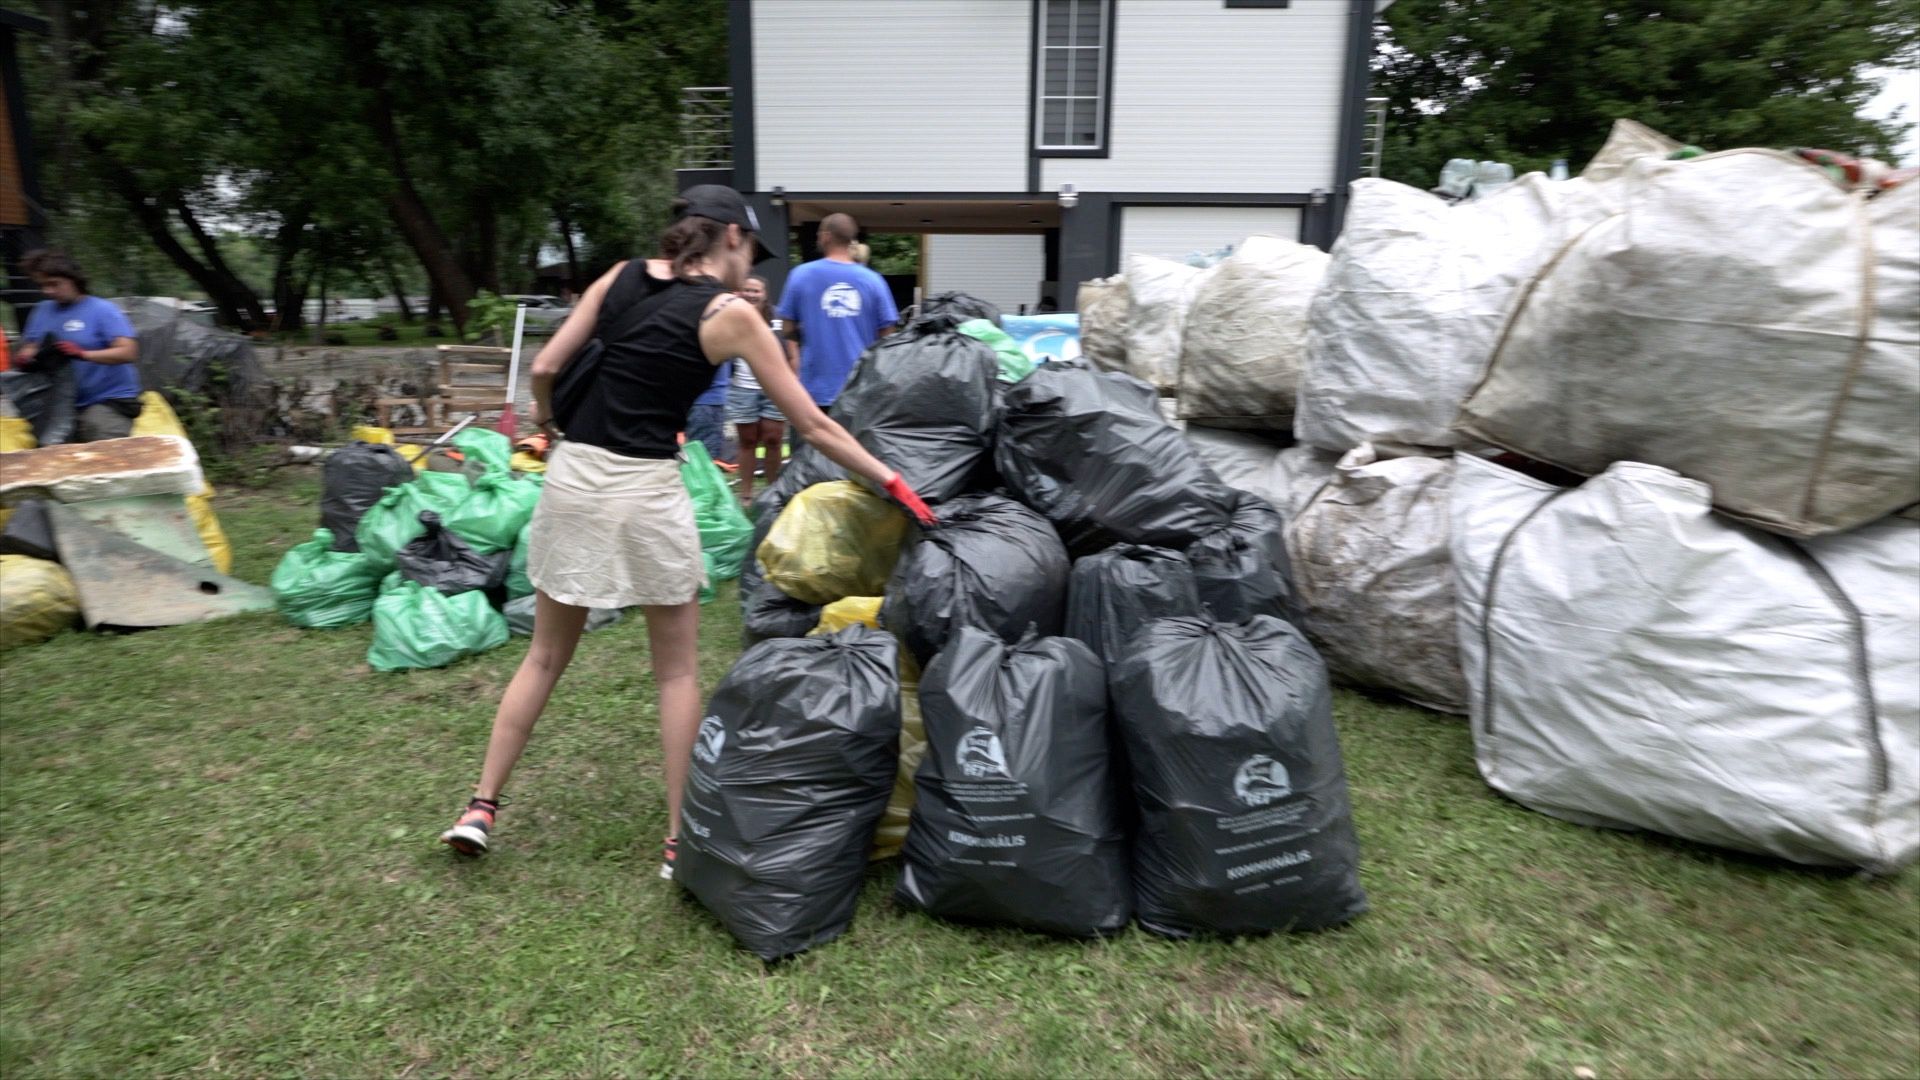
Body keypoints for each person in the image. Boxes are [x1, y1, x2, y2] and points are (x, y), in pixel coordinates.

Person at [440, 186, 936, 875]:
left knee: (546, 658)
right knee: (674, 672)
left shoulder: (618, 276)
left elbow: (548, 366)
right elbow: (814, 425)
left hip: (574, 478)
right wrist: (891, 480)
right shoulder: (729, 316)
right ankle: (678, 841)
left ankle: (479, 808)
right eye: (751, 250)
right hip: (646, 489)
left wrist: (553, 425)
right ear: (732, 236)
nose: (751, 266)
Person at [774, 213, 897, 425]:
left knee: (811, 455)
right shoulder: (873, 281)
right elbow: (888, 336)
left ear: (825, 236)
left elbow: (787, 328)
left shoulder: (800, 275)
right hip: (861, 389)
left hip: (814, 388)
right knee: (856, 455)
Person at [10, 250, 141, 442]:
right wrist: (25, 357)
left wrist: (83, 354)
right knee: (50, 447)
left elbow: (129, 352)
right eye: (42, 285)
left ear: (74, 279)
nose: (48, 291)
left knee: (97, 431)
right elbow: (31, 346)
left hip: (108, 399)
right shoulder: (42, 310)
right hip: (61, 401)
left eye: (54, 284)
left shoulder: (102, 309)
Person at [727, 274, 787, 504]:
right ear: (740, 292)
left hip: (774, 386)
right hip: (743, 387)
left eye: (756, 291)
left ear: (765, 294)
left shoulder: (779, 318)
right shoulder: (732, 315)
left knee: (774, 439)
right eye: (747, 290)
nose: (751, 294)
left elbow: (791, 350)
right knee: (748, 441)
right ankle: (746, 494)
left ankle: (772, 493)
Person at [685, 358, 734, 470]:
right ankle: (702, 486)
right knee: (704, 455)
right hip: (707, 402)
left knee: (699, 452)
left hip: (707, 401)